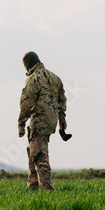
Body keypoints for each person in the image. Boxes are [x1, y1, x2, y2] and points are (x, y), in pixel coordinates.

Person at [18, 51, 67, 191]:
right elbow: (62, 101)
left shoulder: (34, 79)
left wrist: (21, 124)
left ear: (28, 65)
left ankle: (47, 190)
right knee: (33, 152)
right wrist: (62, 120)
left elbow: (26, 103)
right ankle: (33, 186)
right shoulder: (55, 78)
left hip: (38, 122)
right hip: (51, 121)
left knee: (40, 156)